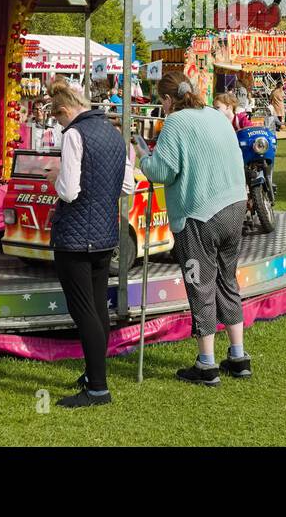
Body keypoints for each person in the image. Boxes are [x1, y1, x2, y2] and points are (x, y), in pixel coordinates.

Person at [133, 72, 251, 385]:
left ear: (168, 100)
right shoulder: (215, 115)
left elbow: (162, 171)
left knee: (199, 282)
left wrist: (143, 157)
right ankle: (238, 355)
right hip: (234, 206)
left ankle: (207, 362)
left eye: (161, 101)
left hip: (200, 214)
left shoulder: (174, 123)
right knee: (227, 279)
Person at [47, 80, 136, 408]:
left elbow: (69, 190)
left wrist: (53, 178)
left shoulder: (74, 135)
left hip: (74, 237)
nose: (59, 126)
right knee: (98, 307)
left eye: (58, 120)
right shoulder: (116, 134)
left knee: (84, 311)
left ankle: (98, 387)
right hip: (104, 235)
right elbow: (127, 186)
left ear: (65, 111)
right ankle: (94, 374)